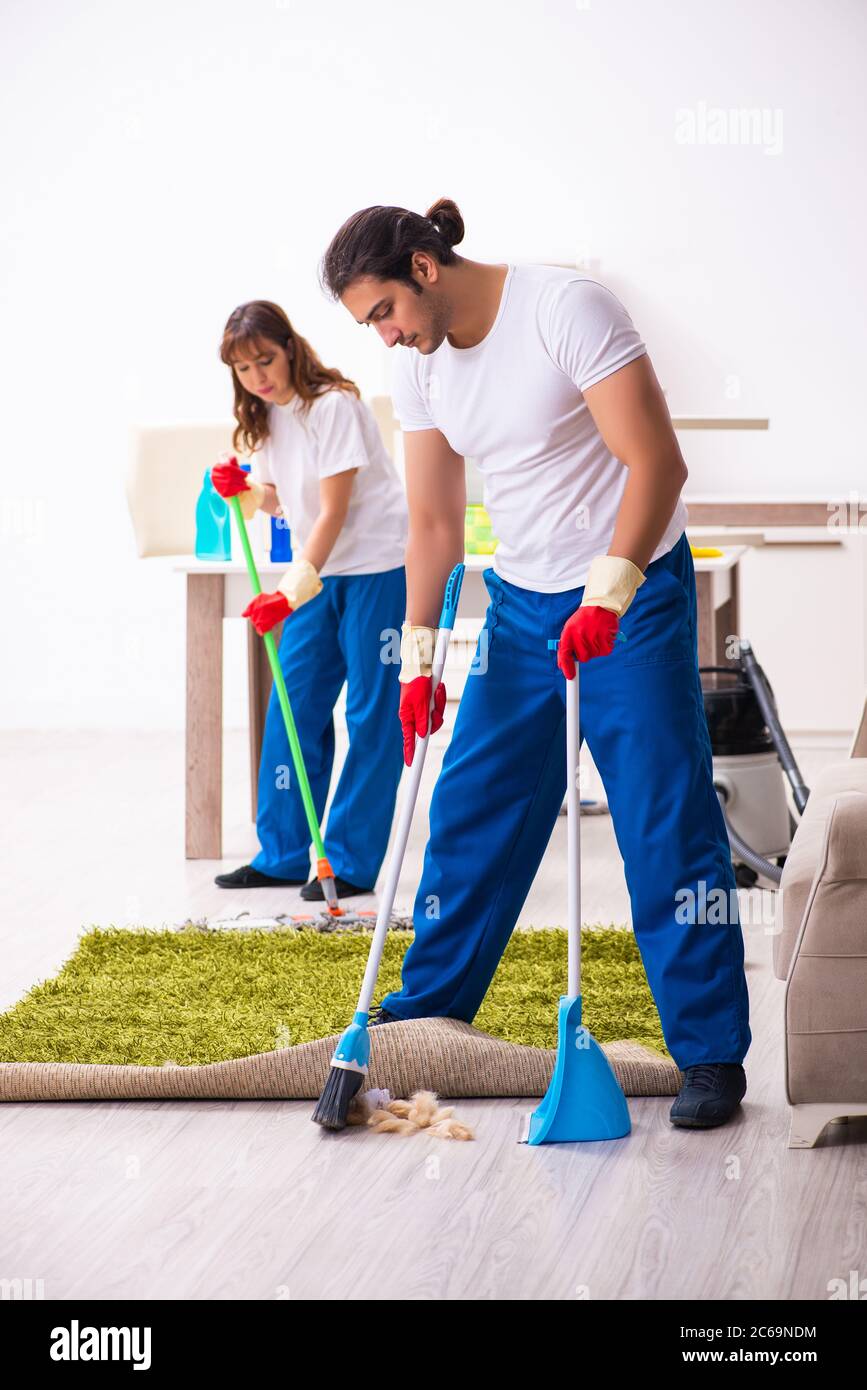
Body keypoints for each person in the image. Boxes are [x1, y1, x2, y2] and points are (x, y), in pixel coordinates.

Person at [320, 200, 751, 1127]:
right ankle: (431, 1011)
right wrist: (419, 661)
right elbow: (433, 523)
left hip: (625, 593)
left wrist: (608, 595)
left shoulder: (566, 309)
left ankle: (710, 1054)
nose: (383, 335)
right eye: (369, 325)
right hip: (520, 607)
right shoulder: (419, 363)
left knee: (661, 820)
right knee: (472, 807)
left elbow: (657, 464)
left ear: (425, 269)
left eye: (383, 311)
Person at [212, 300, 408, 900]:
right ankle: (282, 851)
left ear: (290, 347)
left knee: (371, 715)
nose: (258, 378)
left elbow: (334, 511)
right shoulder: (270, 417)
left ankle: (348, 859)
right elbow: (284, 503)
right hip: (317, 574)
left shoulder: (335, 406)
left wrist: (290, 589)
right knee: (291, 708)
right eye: (243, 369)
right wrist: (248, 493)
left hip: (374, 567)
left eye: (265, 360)